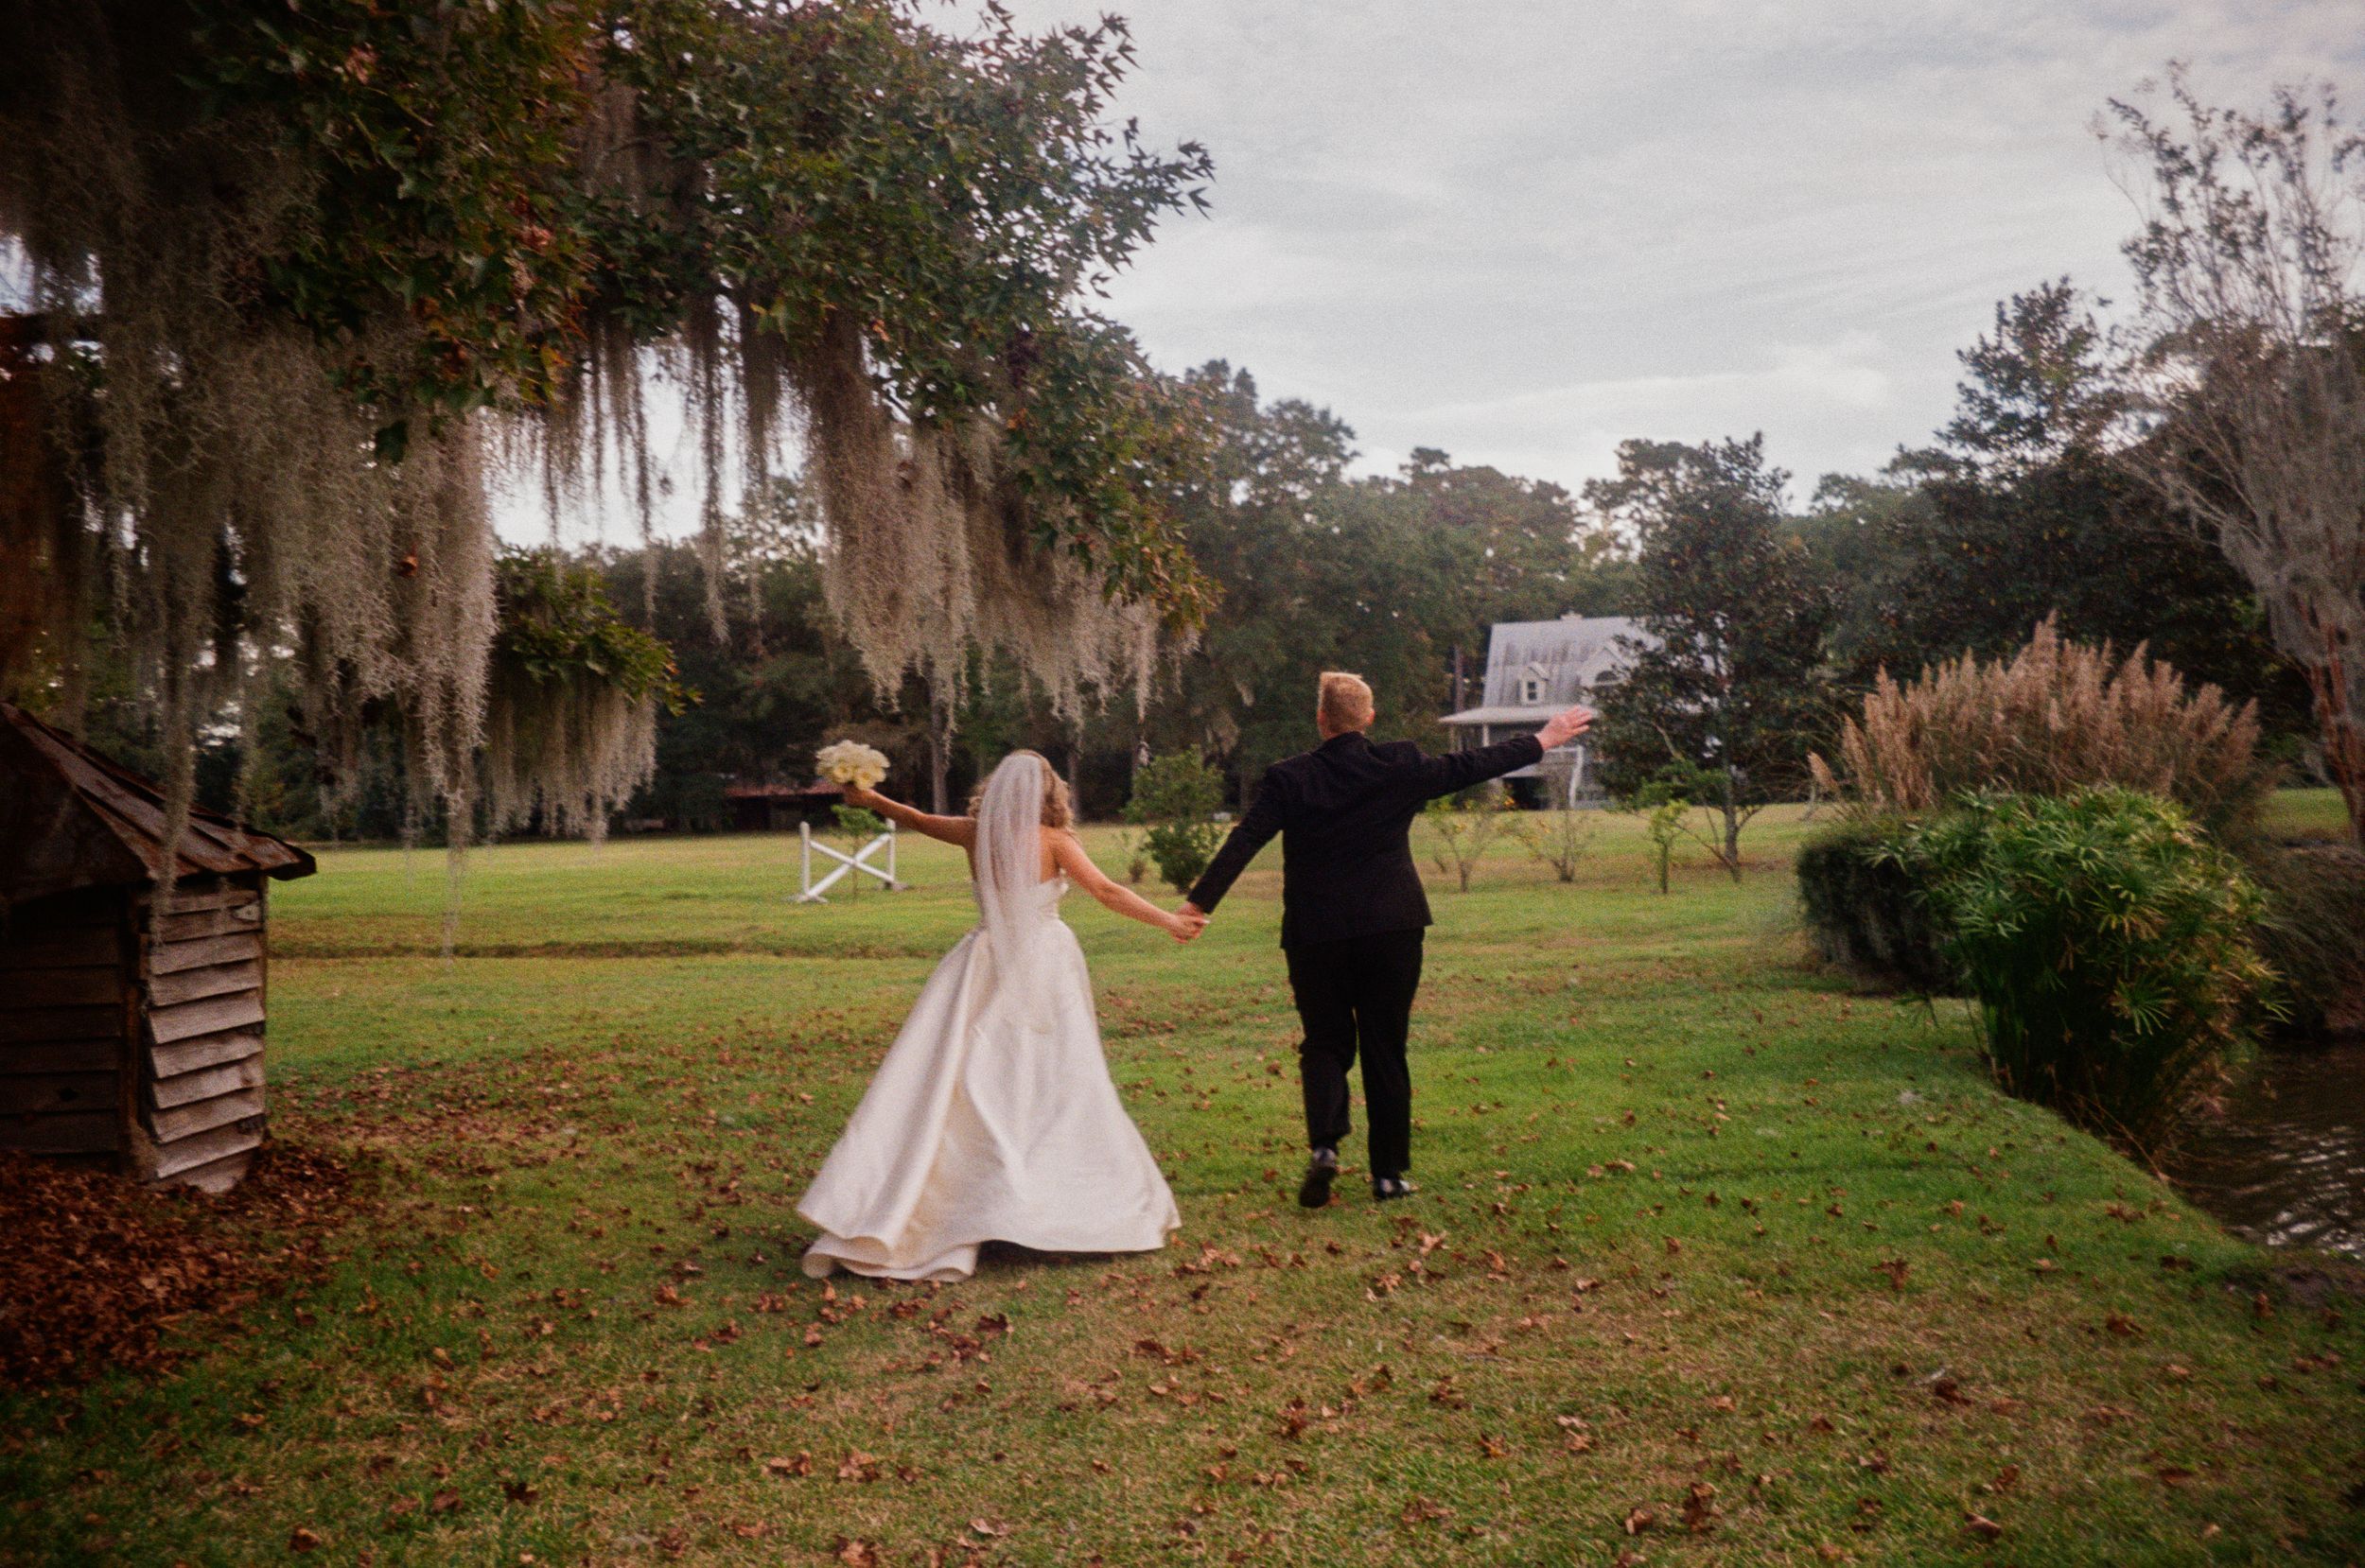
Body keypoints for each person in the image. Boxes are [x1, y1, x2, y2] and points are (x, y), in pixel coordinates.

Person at [1181, 672, 1594, 1205]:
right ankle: (1388, 1176)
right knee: (1385, 1045)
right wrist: (1542, 739)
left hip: (1316, 931)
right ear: (1369, 718)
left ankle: (1325, 1144)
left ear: (1321, 720)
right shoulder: (1400, 765)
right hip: (1393, 927)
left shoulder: (1290, 777)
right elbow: (1471, 764)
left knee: (1325, 1042)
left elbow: (1246, 839)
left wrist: (1200, 903)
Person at [797, 752, 1201, 1281]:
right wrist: (1167, 920)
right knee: (1050, 1071)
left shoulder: (973, 833)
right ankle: (1043, 1190)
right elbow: (1106, 891)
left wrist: (869, 798)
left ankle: (974, 1187)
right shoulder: (1054, 840)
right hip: (1044, 962)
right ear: (1050, 793)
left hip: (983, 960)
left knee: (971, 1070)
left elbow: (914, 818)